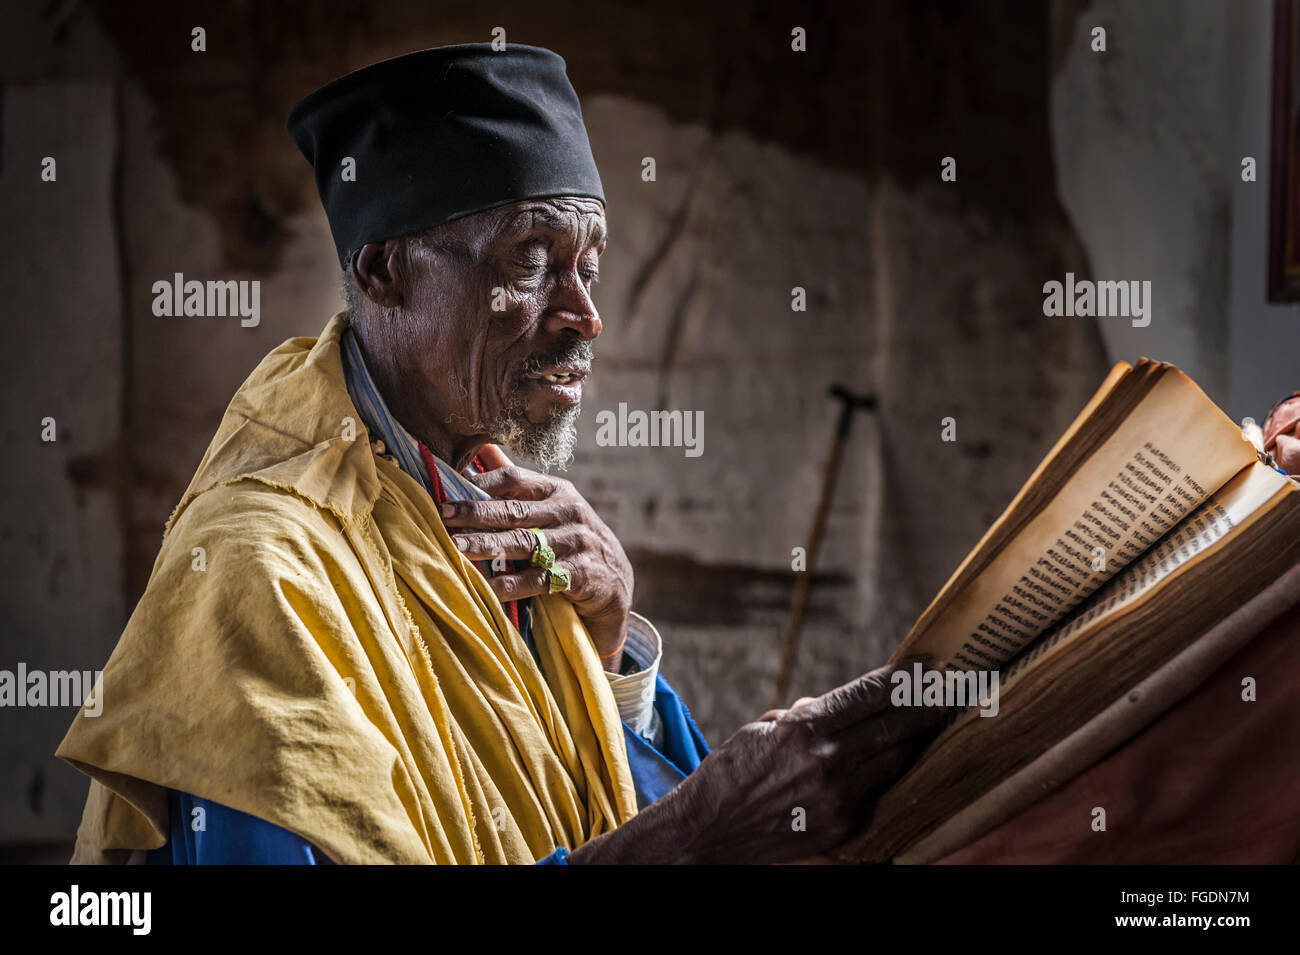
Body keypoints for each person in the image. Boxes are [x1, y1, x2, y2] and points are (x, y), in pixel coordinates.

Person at [57, 43, 945, 865]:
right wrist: (701, 834)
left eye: (587, 266)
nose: (584, 314)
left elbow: (582, 819)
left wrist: (610, 660)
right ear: (383, 273)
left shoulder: (496, 511)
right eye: (530, 257)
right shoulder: (258, 572)